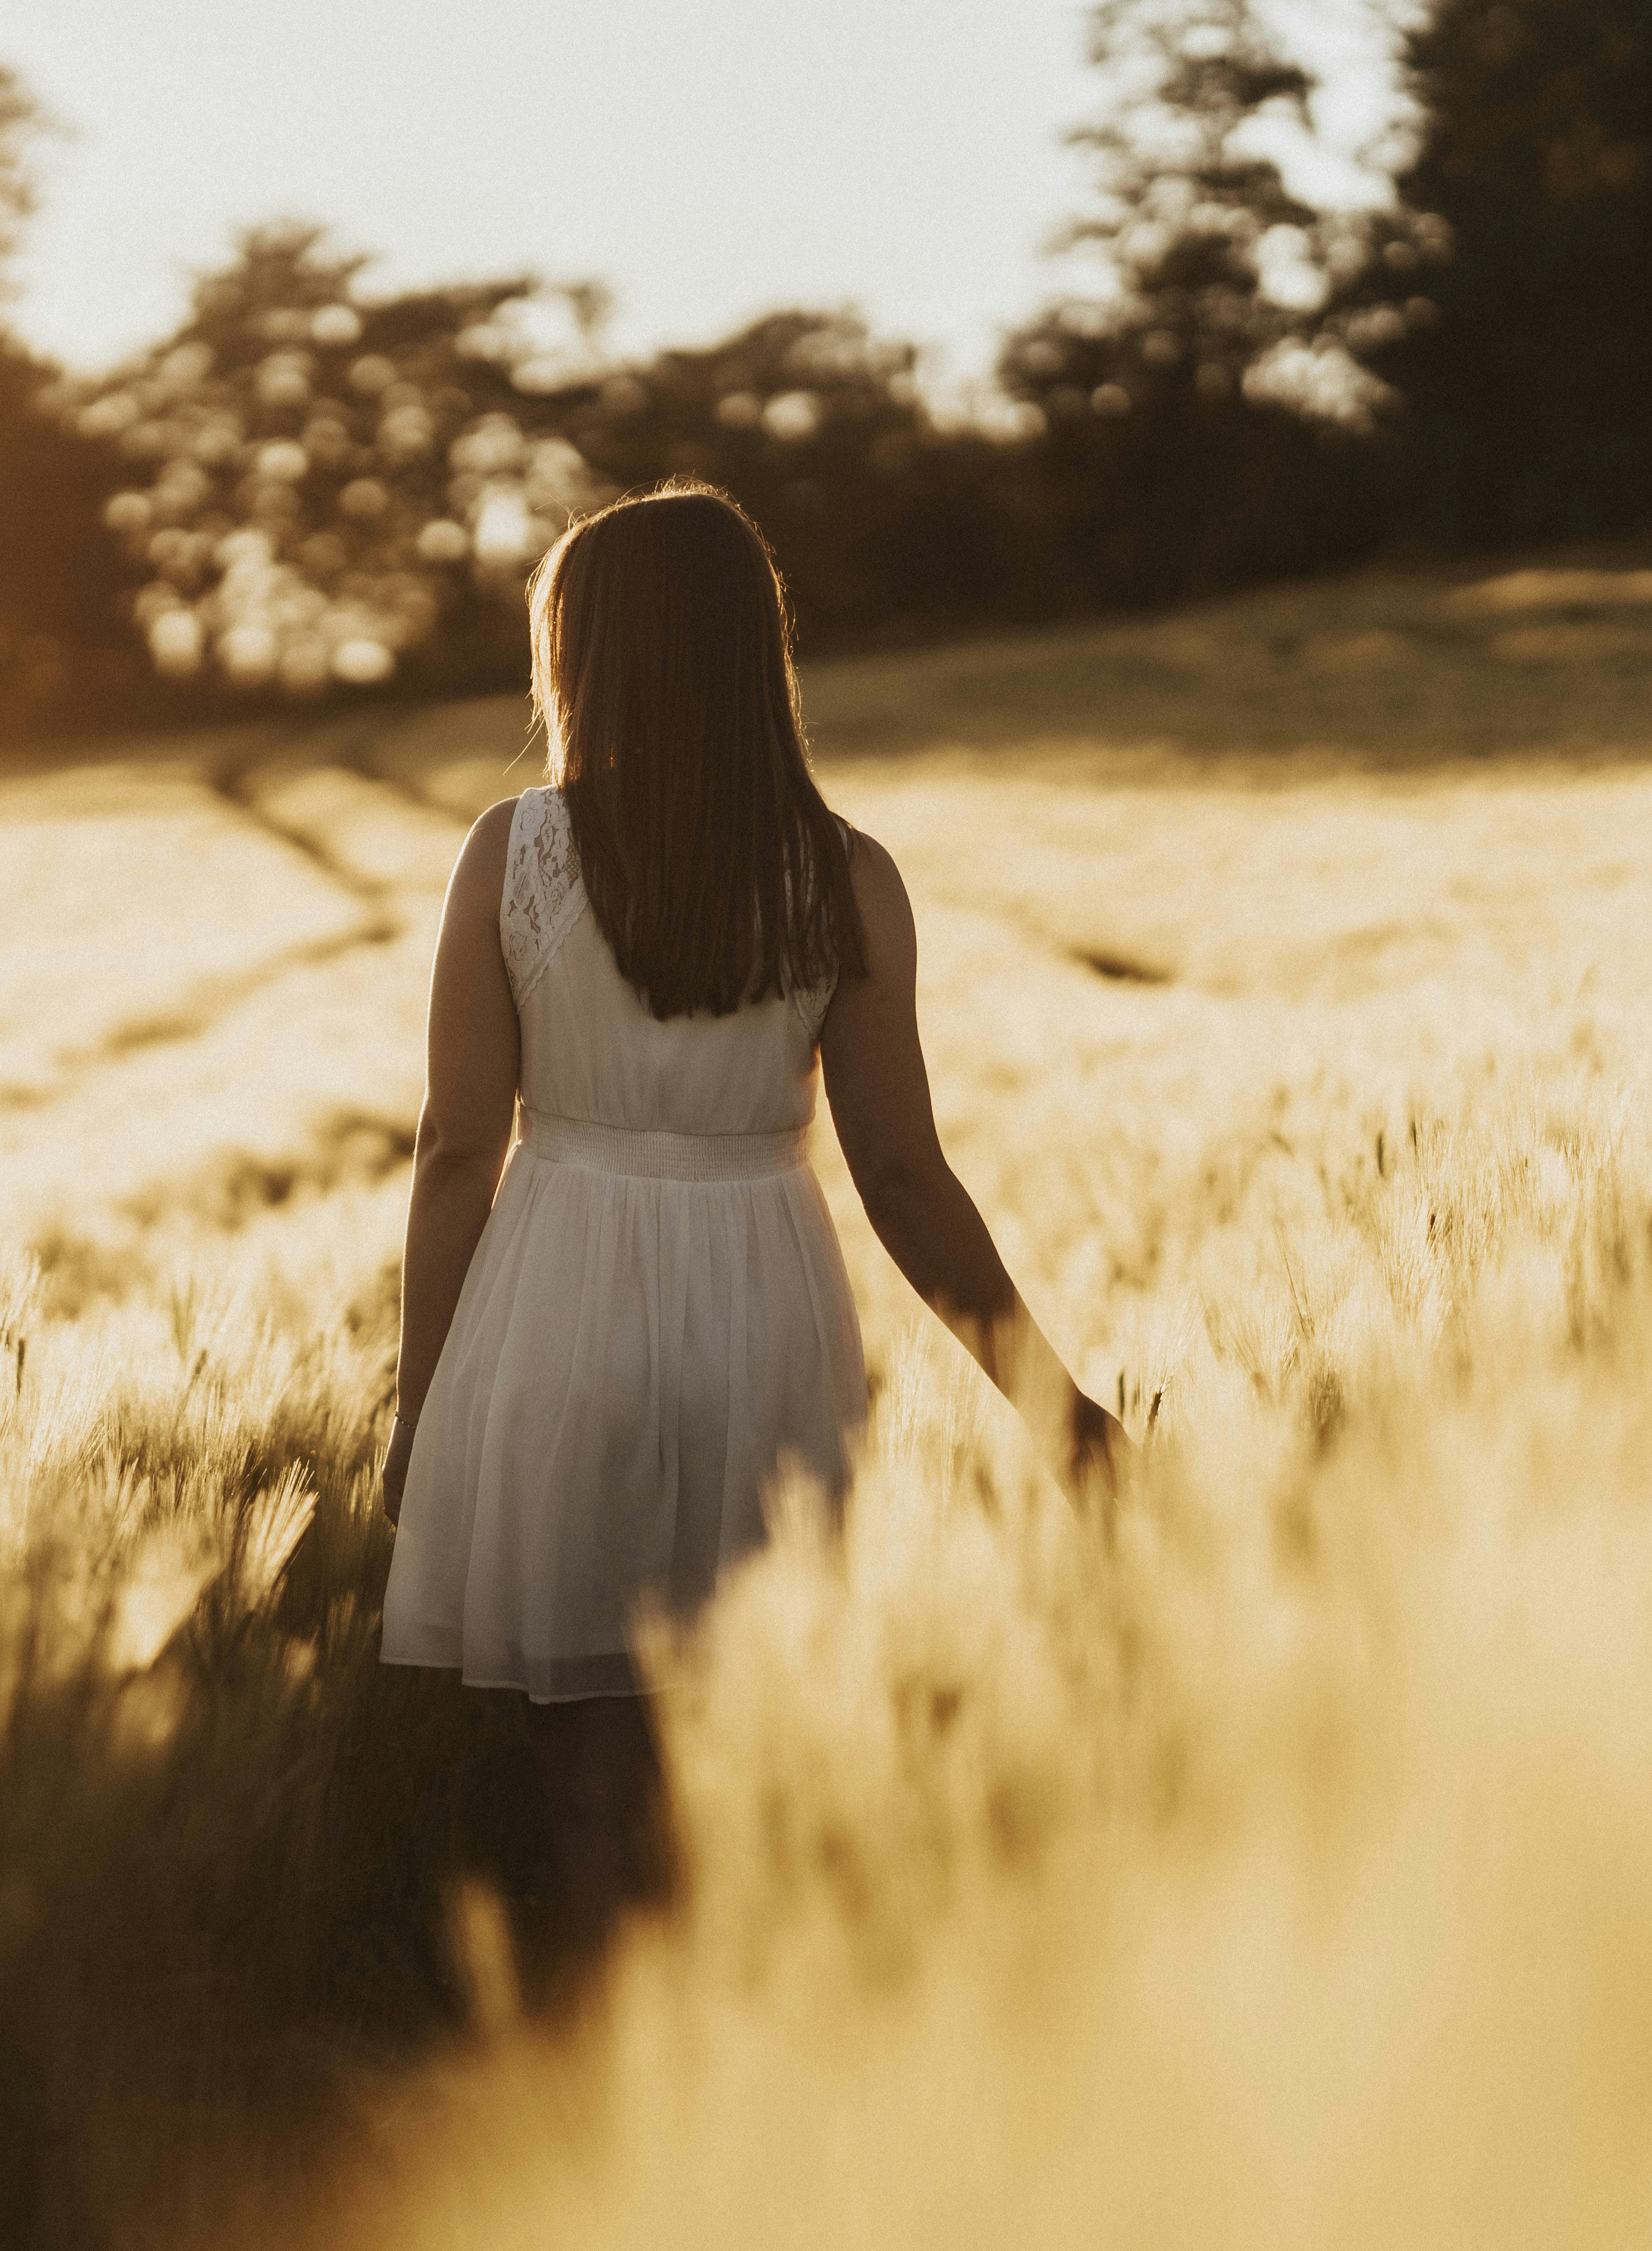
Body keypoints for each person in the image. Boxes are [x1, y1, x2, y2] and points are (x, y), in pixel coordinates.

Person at [376, 481, 1118, 1982]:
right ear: (747, 652)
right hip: (762, 1322)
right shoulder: (846, 875)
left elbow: (460, 1147)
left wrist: (424, 1402)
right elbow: (904, 1179)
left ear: (584, 660)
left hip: (556, 1319)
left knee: (586, 1773)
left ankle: (586, 2090)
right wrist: (1052, 1398)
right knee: (745, 1742)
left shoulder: (510, 855)